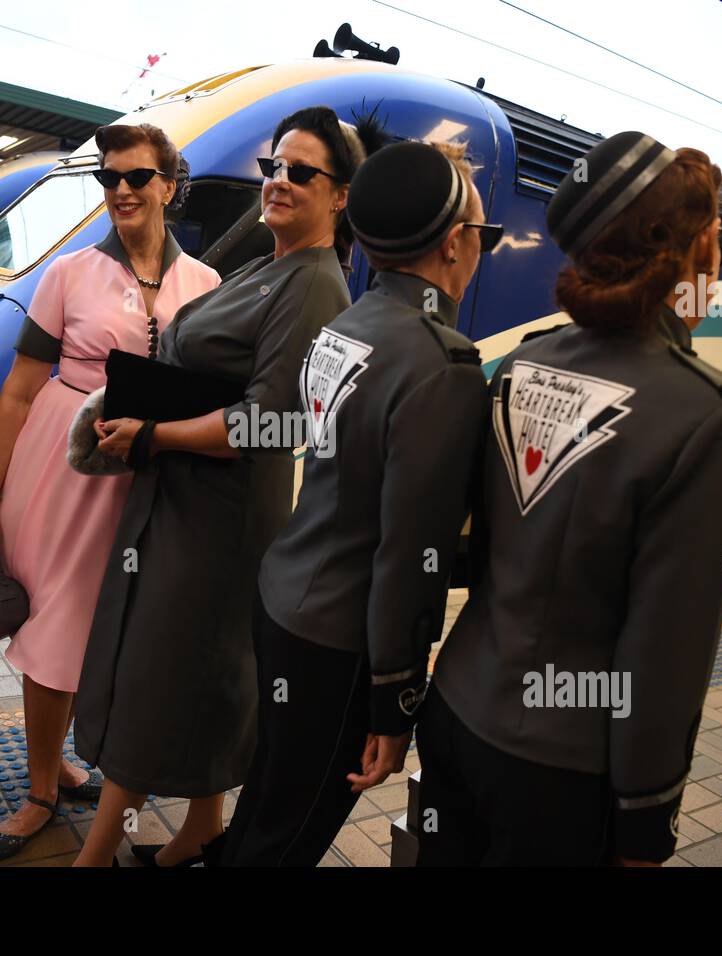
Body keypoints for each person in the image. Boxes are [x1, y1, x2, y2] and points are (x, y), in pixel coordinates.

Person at [417, 131, 722, 866]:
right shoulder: (710, 416)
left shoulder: (526, 360)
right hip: (563, 775)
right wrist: (646, 816)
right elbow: (664, 653)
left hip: (456, 713)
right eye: (717, 245)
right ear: (692, 254)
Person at [72, 106, 384, 867]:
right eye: (273, 167)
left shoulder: (315, 285)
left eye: (301, 172)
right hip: (182, 499)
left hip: (218, 521)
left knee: (160, 674)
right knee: (195, 673)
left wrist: (152, 435)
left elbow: (273, 424)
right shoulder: (266, 265)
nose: (278, 181)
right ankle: (203, 831)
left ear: (340, 196)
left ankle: (95, 853)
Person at [215, 141, 496, 865]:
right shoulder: (443, 365)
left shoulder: (350, 323)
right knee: (287, 835)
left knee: (268, 801)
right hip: (339, 644)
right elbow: (410, 556)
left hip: (284, 598)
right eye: (483, 237)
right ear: (456, 245)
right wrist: (394, 701)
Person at [0, 123, 220, 863]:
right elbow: (16, 394)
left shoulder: (205, 285)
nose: (123, 191)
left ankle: (86, 764)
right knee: (55, 625)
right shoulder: (68, 273)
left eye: (138, 177)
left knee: (127, 630)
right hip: (65, 469)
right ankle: (44, 787)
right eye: (109, 179)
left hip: (153, 475)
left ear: (170, 185)